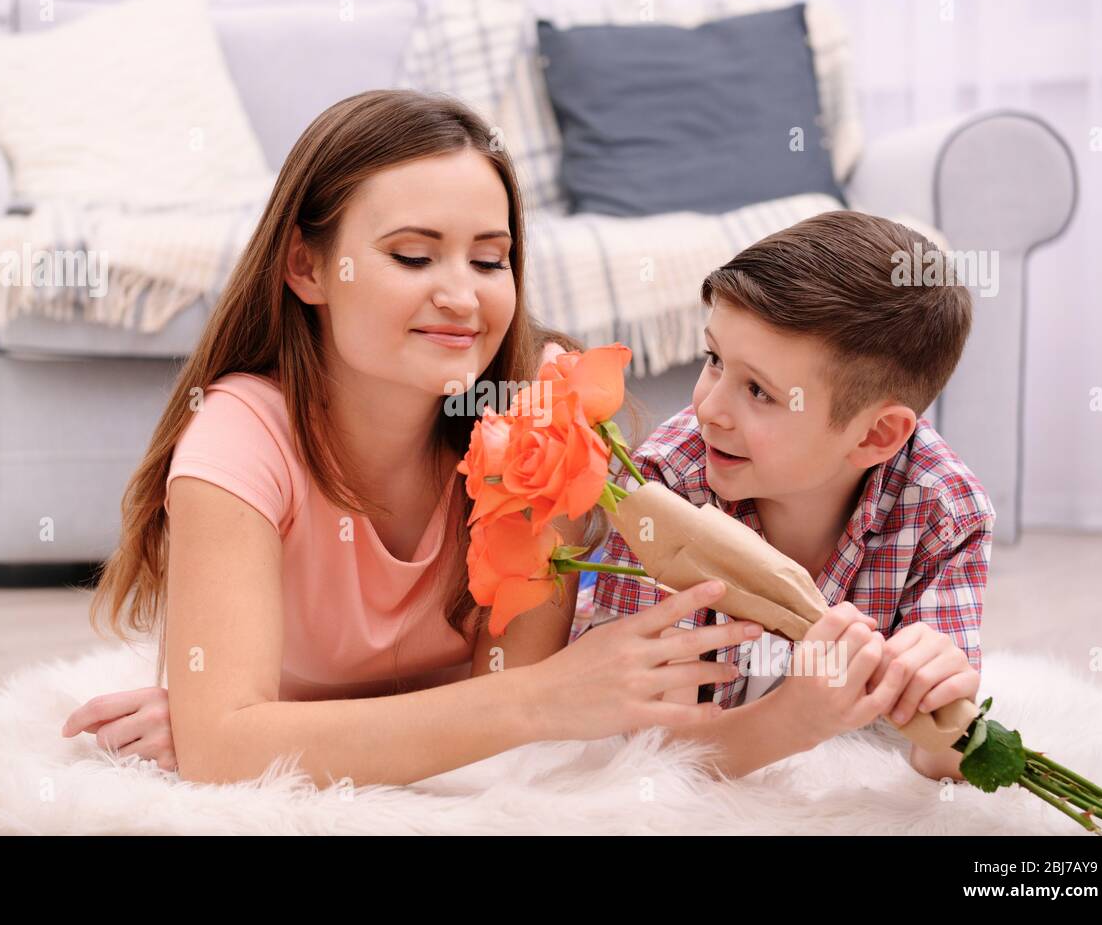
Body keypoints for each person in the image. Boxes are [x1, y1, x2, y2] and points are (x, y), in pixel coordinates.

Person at [60, 89, 770, 786]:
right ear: (307, 267)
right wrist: (233, 728)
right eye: (412, 256)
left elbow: (509, 723)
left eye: (490, 261)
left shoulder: (537, 422)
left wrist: (267, 726)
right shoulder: (238, 438)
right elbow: (227, 753)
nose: (463, 297)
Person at [583, 211, 993, 782]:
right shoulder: (663, 483)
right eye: (714, 359)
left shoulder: (945, 512)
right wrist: (792, 720)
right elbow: (641, 740)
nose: (708, 408)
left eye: (759, 391)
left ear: (875, 436)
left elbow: (941, 754)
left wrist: (944, 726)